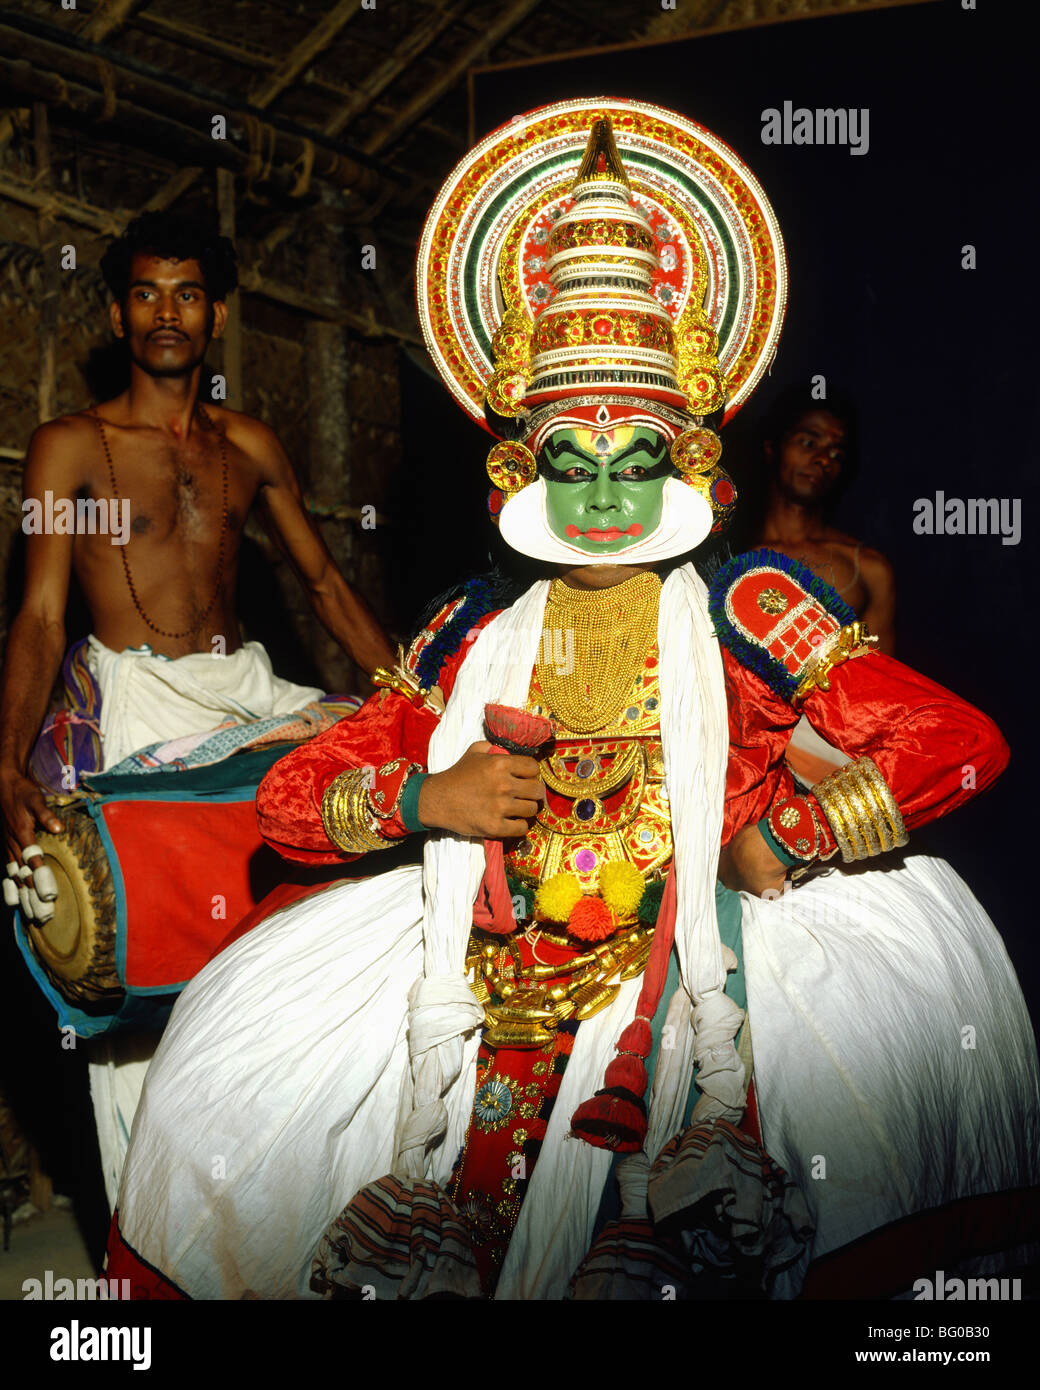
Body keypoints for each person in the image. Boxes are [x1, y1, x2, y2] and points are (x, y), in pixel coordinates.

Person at [105, 105, 1039, 1300]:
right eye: (570, 464)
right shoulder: (473, 628)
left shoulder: (747, 604)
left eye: (634, 461)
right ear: (519, 465)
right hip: (483, 964)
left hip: (700, 969)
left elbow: (956, 740)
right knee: (239, 1085)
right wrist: (423, 795)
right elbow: (288, 802)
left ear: (689, 460)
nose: (602, 500)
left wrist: (784, 834)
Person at [0, 211, 395, 1207]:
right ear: (115, 309)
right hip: (136, 706)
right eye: (144, 292)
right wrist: (7, 762)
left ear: (214, 314)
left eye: (185, 293)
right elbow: (42, 617)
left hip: (242, 692)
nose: (164, 313)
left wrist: (412, 695)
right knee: (147, 974)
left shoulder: (249, 447)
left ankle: (296, 1197)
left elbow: (324, 586)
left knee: (313, 914)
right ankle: (161, 1224)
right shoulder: (68, 449)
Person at [750, 386, 895, 653]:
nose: (822, 460)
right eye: (809, 443)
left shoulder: (868, 569)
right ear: (772, 448)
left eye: (836, 454)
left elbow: (881, 688)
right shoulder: (728, 553)